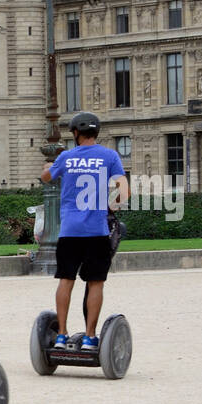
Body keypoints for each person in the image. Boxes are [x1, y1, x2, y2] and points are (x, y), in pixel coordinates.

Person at [39, 111, 129, 351]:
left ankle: (61, 335)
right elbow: (124, 191)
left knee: (65, 281)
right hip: (96, 231)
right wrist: (112, 204)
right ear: (96, 132)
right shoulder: (109, 156)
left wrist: (49, 166)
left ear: (76, 133)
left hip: (69, 231)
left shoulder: (66, 157)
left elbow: (46, 177)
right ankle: (89, 337)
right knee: (96, 283)